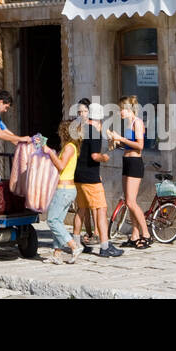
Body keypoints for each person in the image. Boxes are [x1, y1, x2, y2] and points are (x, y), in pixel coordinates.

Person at [73, 98, 122, 257]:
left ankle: (77, 243)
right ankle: (105, 246)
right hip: (90, 177)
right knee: (101, 210)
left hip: (78, 176)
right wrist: (104, 157)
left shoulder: (80, 130)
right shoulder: (93, 132)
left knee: (81, 210)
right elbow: (94, 156)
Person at [106, 95, 151, 249]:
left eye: (122, 109)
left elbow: (140, 146)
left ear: (129, 109)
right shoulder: (128, 124)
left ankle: (146, 234)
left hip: (135, 163)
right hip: (127, 161)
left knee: (131, 202)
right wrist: (115, 141)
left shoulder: (137, 123)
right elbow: (128, 145)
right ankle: (134, 234)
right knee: (128, 201)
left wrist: (122, 139)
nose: (120, 113)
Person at [43, 117, 83, 263]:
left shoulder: (69, 147)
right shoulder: (72, 147)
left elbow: (61, 166)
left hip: (64, 189)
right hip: (67, 189)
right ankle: (57, 254)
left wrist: (50, 152)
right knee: (58, 220)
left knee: (52, 220)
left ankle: (73, 246)